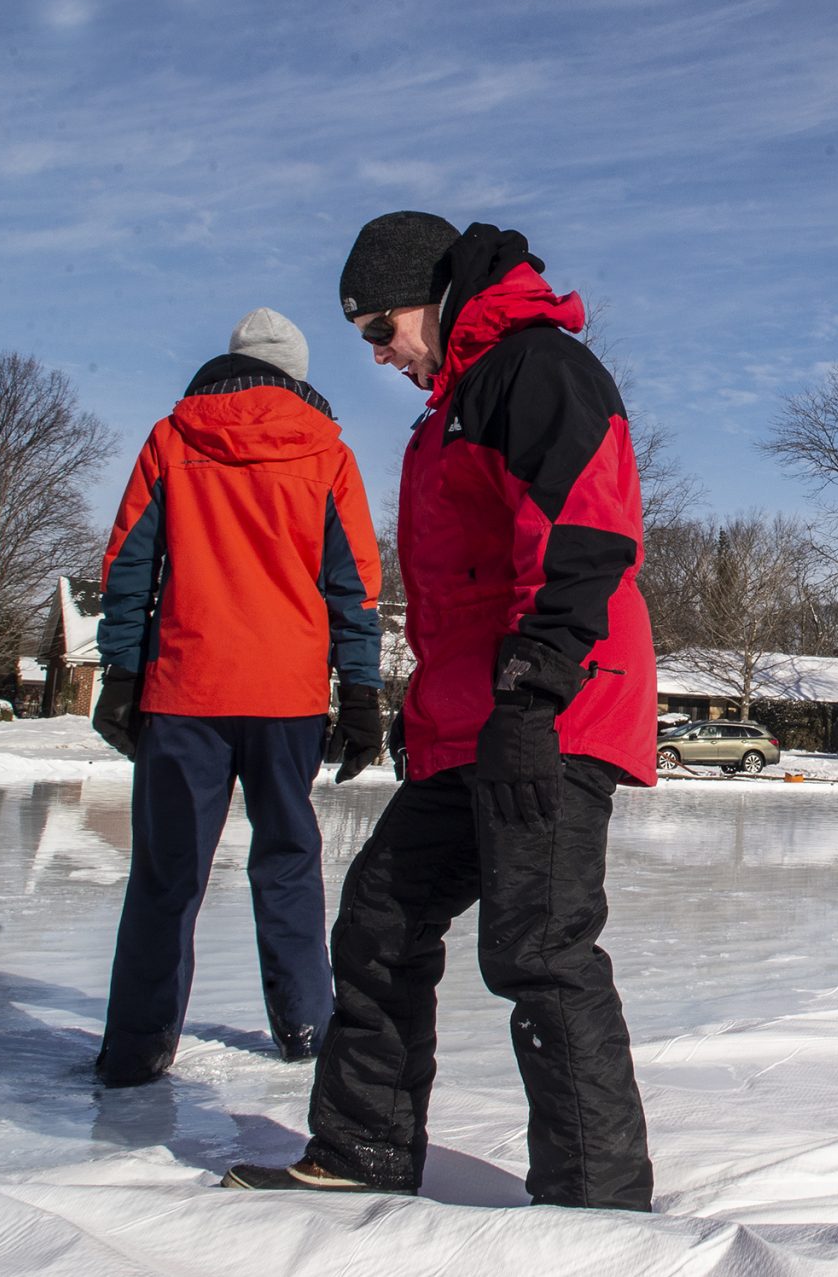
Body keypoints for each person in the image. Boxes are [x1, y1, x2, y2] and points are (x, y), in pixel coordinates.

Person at [224, 215, 658, 1210]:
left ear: (433, 292)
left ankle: (598, 1207)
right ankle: (360, 1152)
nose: (382, 355)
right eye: (366, 339)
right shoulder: (457, 401)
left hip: (550, 710)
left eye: (383, 327)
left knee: (540, 946)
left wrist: (536, 681)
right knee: (381, 919)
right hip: (475, 722)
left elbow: (590, 526)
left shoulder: (534, 368)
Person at [92, 308, 386, 1087]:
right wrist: (360, 689)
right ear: (295, 372)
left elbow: (128, 563)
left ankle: (136, 1049)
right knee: (288, 859)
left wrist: (120, 670)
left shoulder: (172, 437)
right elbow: (353, 587)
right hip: (286, 696)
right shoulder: (329, 453)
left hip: (185, 689)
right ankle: (307, 1028)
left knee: (166, 872)